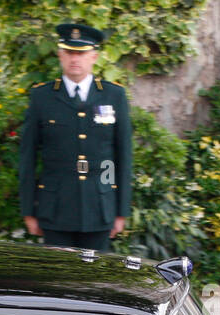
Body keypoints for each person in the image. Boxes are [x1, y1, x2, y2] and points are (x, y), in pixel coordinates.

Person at [18, 22, 132, 252]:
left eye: (81, 53)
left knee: (94, 281)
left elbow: (123, 156)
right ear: (60, 55)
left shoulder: (113, 95)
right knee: (57, 279)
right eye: (69, 52)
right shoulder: (42, 96)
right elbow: (28, 158)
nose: (75, 59)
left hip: (99, 206)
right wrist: (29, 211)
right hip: (55, 208)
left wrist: (121, 211)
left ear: (94, 57)